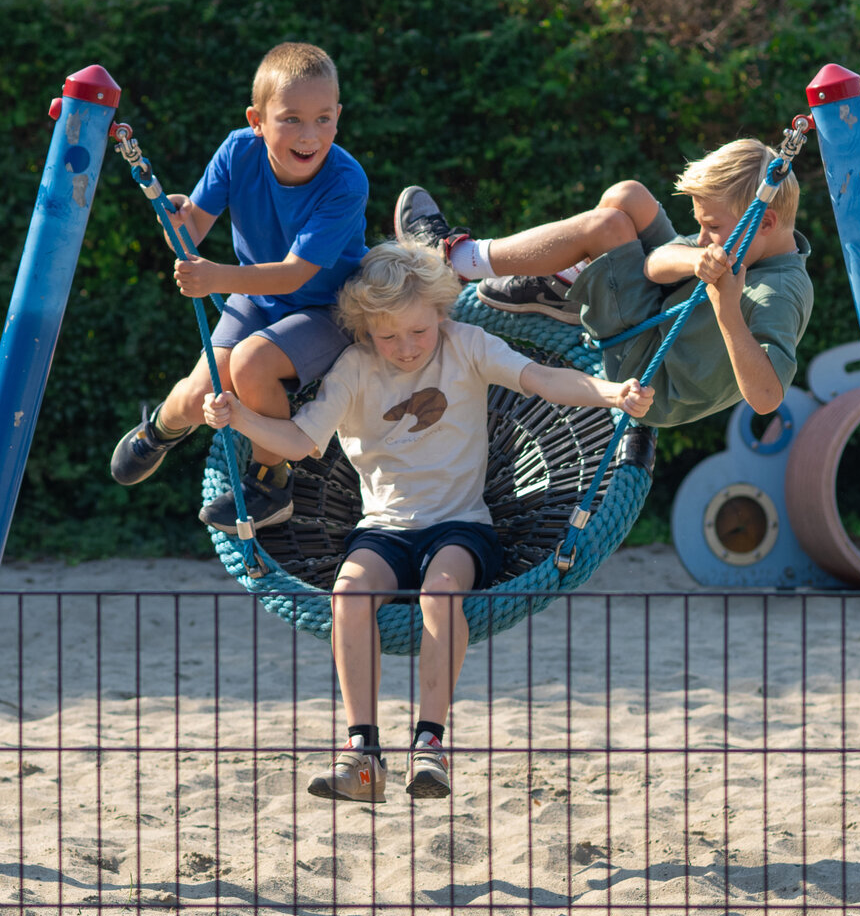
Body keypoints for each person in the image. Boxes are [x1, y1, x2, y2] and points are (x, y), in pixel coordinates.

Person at [202, 238, 654, 803]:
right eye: (388, 336)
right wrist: (239, 417)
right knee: (348, 596)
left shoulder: (465, 345)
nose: (407, 347)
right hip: (384, 529)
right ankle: (361, 752)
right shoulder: (355, 367)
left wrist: (613, 393)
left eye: (419, 331)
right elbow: (298, 440)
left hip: (461, 525)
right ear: (365, 330)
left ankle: (429, 745)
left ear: (441, 312)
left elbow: (544, 380)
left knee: (441, 593)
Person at [110, 41, 369, 535]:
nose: (309, 135)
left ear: (338, 116)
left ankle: (272, 481)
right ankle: (162, 428)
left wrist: (216, 277)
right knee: (197, 395)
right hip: (254, 299)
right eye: (291, 118)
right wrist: (178, 219)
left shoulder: (346, 181)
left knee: (251, 363)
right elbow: (189, 236)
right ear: (257, 119)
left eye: (323, 119)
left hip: (326, 308)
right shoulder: (237, 150)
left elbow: (295, 273)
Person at [394, 137, 814, 428]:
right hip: (658, 314)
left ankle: (456, 259)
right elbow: (655, 266)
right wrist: (696, 258)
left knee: (608, 227)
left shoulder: (778, 293)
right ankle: (570, 287)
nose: (704, 238)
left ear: (767, 222)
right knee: (628, 196)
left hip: (650, 375)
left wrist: (727, 311)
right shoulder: (740, 246)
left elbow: (765, 398)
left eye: (713, 228)